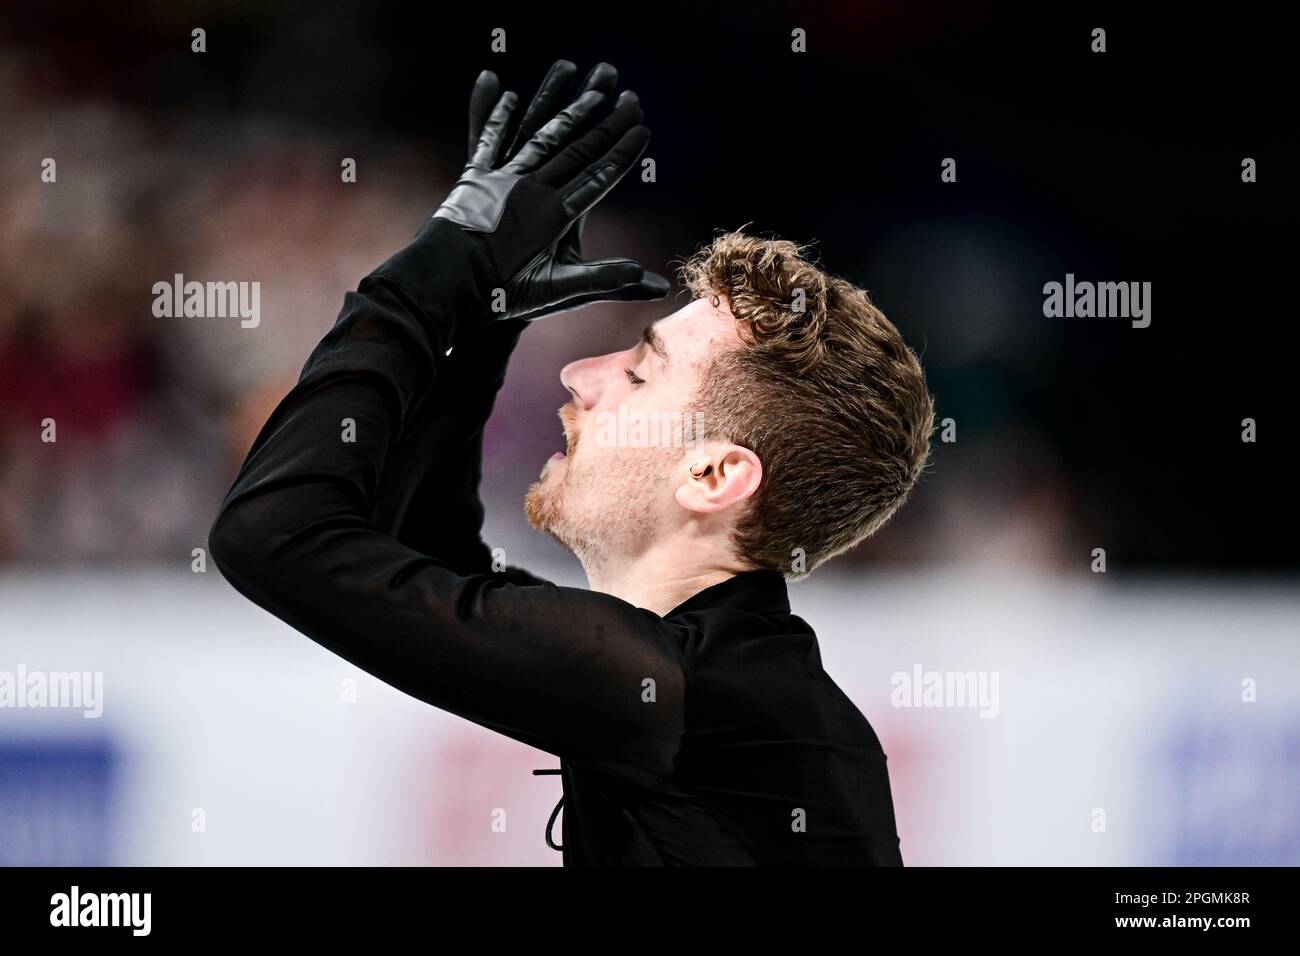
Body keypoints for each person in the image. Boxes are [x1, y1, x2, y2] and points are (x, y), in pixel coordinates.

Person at [208, 60, 934, 865]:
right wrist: (486, 322)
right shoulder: (733, 680)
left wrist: (423, 286)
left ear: (713, 476)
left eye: (639, 372)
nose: (578, 375)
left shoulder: (691, 688)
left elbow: (271, 536)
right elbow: (416, 556)